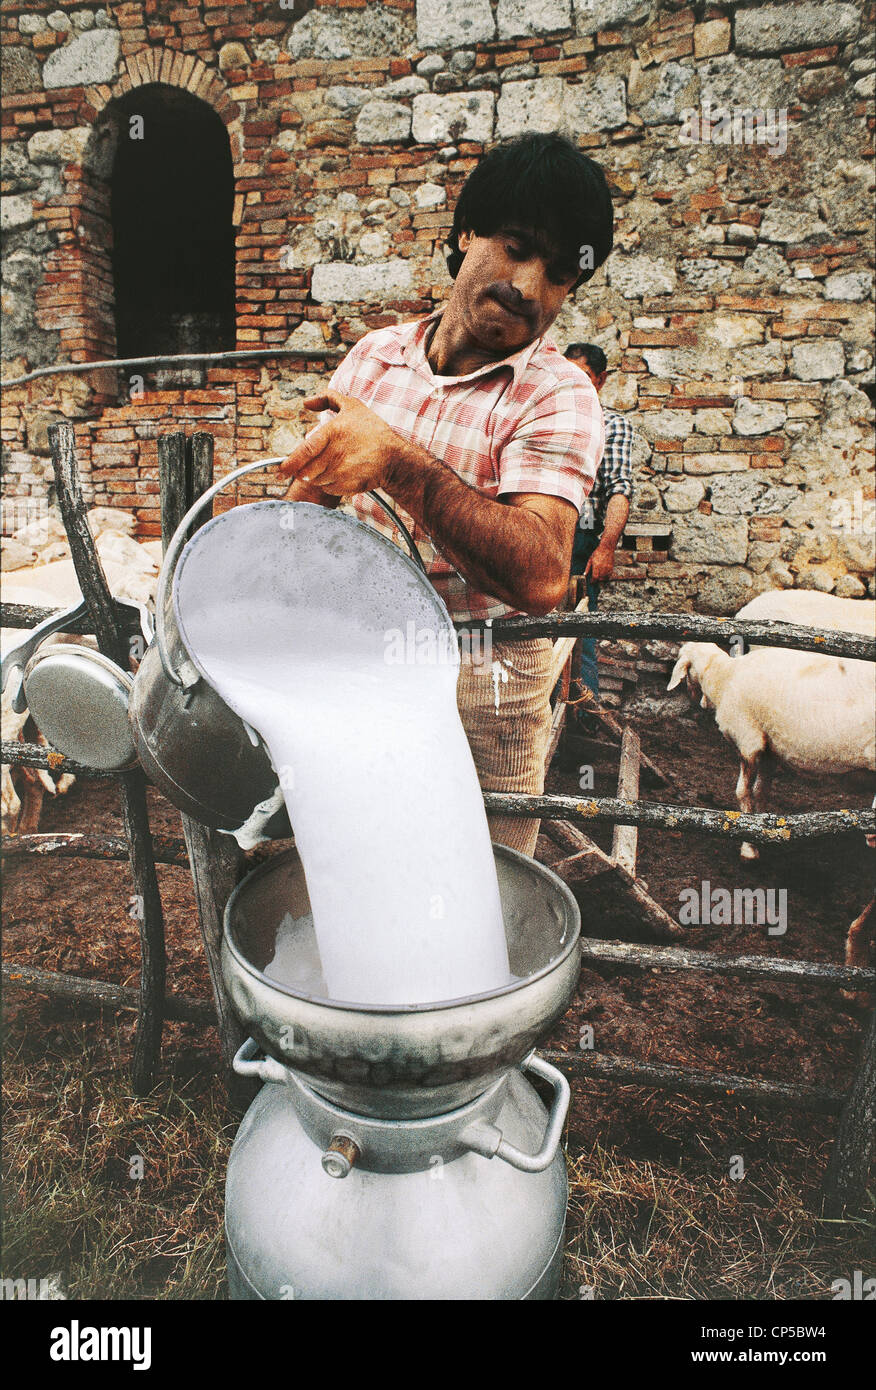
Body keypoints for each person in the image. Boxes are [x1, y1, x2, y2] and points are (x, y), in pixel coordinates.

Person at [278, 132, 613, 857]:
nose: (527, 287)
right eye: (517, 246)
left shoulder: (560, 396)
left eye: (557, 275)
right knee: (363, 848)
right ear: (466, 233)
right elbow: (311, 503)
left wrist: (399, 464)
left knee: (483, 883)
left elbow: (544, 576)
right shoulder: (373, 357)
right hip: (360, 653)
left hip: (485, 678)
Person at [564, 342, 635, 702]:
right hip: (540, 534)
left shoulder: (611, 425)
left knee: (580, 628)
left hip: (581, 541)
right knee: (531, 626)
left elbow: (619, 489)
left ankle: (583, 713)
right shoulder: (549, 418)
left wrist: (606, 548)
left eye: (584, 377)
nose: (574, 384)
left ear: (601, 379)